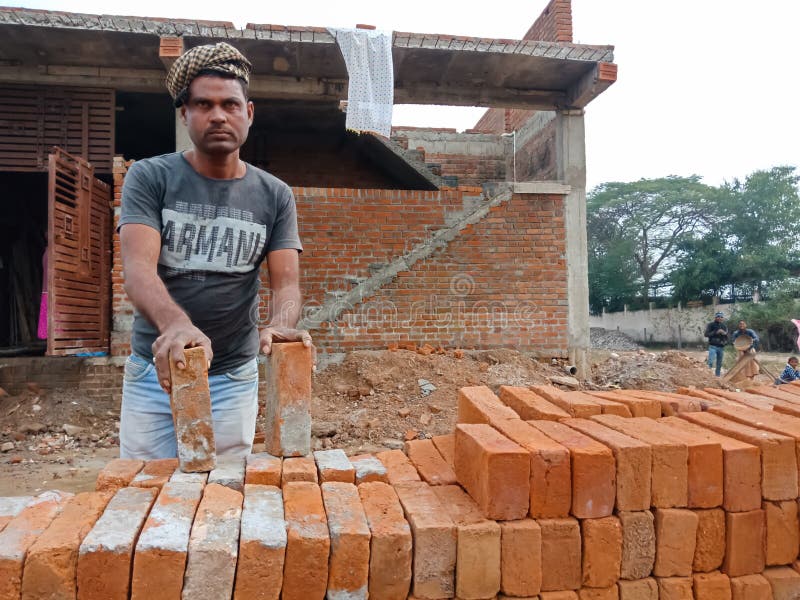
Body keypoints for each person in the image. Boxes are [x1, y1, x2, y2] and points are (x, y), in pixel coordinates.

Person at [117, 42, 311, 459]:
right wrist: (176, 325)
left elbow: (287, 282)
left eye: (230, 104)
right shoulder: (150, 177)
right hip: (158, 374)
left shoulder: (274, 194)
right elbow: (138, 272)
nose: (218, 115)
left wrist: (280, 322)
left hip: (232, 377)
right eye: (204, 104)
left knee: (220, 498)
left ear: (249, 113)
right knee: (148, 492)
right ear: (185, 114)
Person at [704, 311, 728, 377]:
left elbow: (727, 337)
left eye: (721, 317)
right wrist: (716, 332)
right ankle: (707, 376)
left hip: (721, 347)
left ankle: (717, 376)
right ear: (715, 317)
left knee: (719, 363)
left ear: (723, 318)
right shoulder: (711, 325)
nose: (719, 318)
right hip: (713, 346)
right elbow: (706, 334)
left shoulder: (724, 326)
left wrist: (724, 334)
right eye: (718, 316)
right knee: (710, 362)